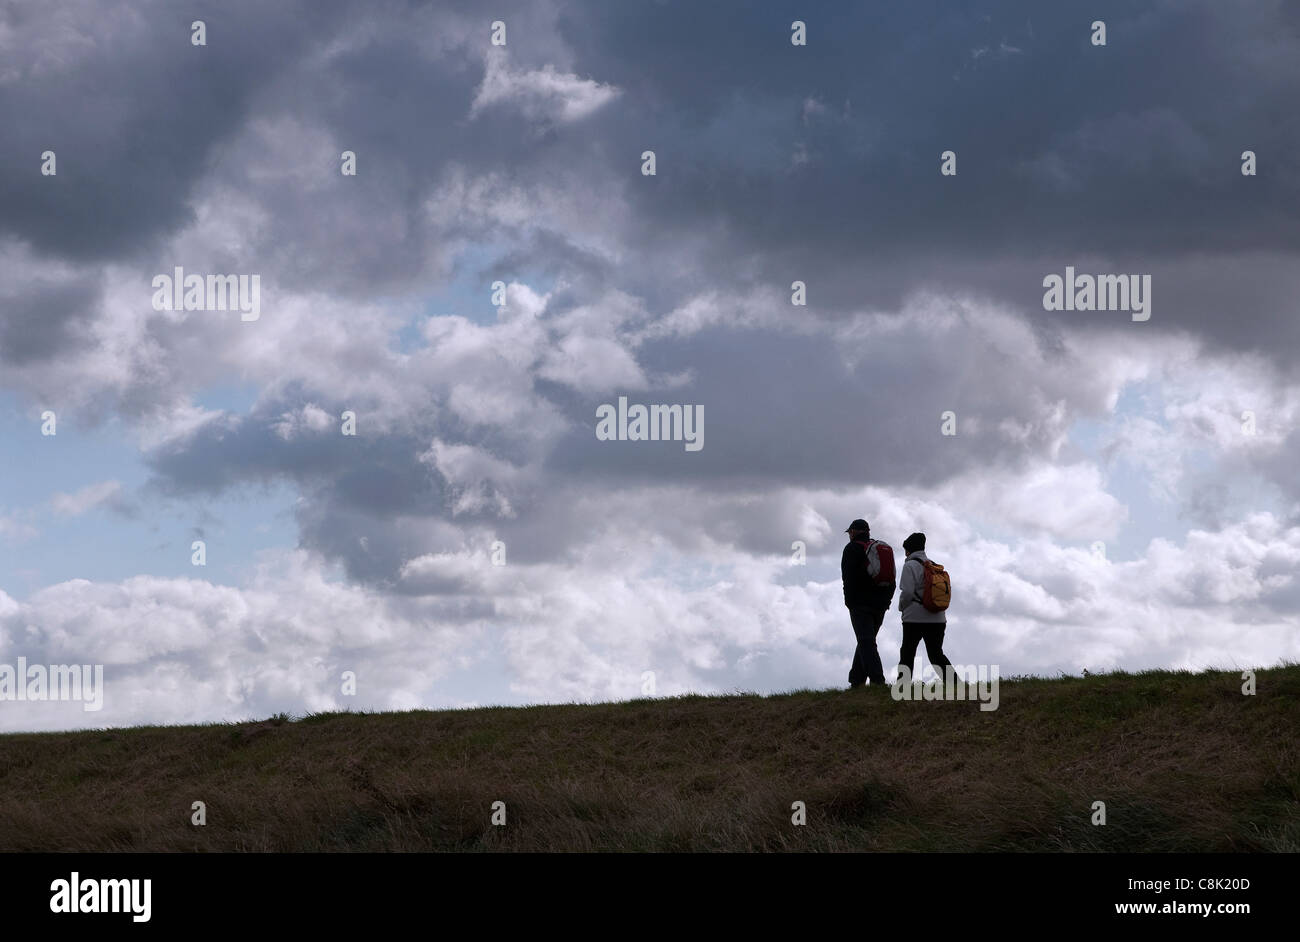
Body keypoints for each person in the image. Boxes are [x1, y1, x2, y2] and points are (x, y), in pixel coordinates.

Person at [840, 519, 894, 688]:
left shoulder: (852, 549)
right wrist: (886, 601)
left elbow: (848, 578)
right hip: (880, 605)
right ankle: (856, 681)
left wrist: (849, 602)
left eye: (850, 532)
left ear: (854, 532)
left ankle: (878, 680)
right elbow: (891, 578)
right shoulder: (879, 549)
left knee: (866, 641)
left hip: (860, 604)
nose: (849, 535)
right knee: (866, 640)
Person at [896, 532, 954, 683]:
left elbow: (907, 592)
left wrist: (901, 607)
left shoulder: (909, 565)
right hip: (938, 617)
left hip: (914, 618)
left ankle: (903, 685)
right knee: (936, 654)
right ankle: (955, 683)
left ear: (908, 550)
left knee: (907, 652)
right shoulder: (934, 566)